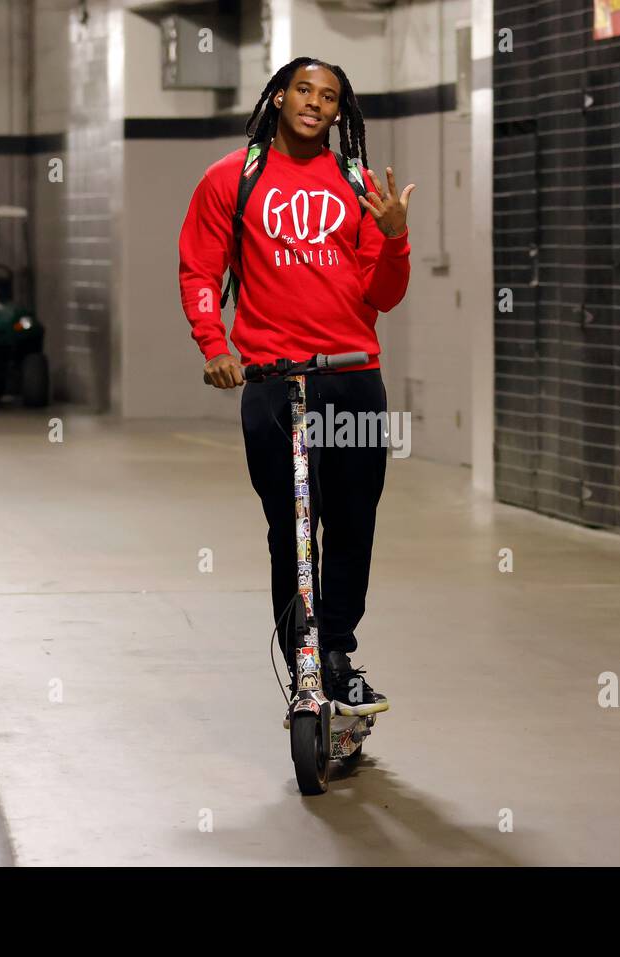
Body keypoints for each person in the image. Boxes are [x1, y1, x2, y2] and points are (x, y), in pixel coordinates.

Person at [178, 57, 414, 706]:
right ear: (280, 96)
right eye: (304, 90)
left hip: (353, 378)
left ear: (340, 112)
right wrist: (213, 344)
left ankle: (337, 652)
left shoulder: (357, 181)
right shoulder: (233, 177)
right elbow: (199, 271)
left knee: (353, 522)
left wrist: (395, 238)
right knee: (291, 526)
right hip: (274, 382)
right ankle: (303, 658)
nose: (315, 103)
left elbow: (384, 295)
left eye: (330, 97)